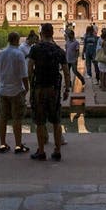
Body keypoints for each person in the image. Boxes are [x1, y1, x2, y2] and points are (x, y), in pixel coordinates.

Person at [27, 23, 71, 161]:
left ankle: (41, 151)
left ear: (42, 34)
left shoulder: (35, 49)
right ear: (52, 33)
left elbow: (29, 69)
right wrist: (67, 88)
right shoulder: (58, 50)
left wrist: (31, 86)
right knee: (56, 121)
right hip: (54, 89)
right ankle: (57, 150)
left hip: (39, 88)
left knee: (40, 122)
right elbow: (66, 71)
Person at [0, 31, 30, 154]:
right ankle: (18, 145)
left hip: (3, 91)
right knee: (17, 118)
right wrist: (27, 88)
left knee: (3, 118)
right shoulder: (18, 54)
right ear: (16, 40)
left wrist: (1, 85)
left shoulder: (1, 54)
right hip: (16, 90)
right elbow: (24, 75)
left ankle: (2, 144)